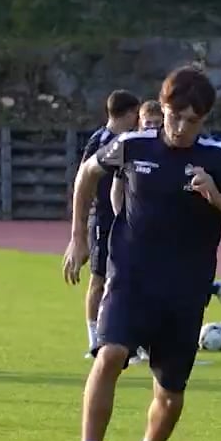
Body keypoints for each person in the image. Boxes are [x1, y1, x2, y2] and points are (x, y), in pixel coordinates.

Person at [58, 66, 221, 441]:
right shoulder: (134, 145)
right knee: (108, 355)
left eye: (191, 121)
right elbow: (87, 173)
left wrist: (219, 200)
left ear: (205, 119)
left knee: (169, 397)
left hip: (185, 292)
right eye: (173, 116)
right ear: (162, 108)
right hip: (131, 278)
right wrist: (77, 236)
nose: (179, 127)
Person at [114, 99, 221, 320]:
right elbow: (112, 185)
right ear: (139, 122)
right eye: (147, 122)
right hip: (135, 245)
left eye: (155, 122)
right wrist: (122, 220)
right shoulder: (133, 148)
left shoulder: (207, 154)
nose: (151, 126)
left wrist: (215, 197)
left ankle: (212, 288)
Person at [80, 90, 142, 357]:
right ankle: (94, 339)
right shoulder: (101, 140)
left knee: (129, 278)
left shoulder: (130, 142)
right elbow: (84, 178)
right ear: (129, 113)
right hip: (103, 219)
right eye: (136, 114)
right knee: (99, 278)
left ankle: (132, 338)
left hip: (126, 221)